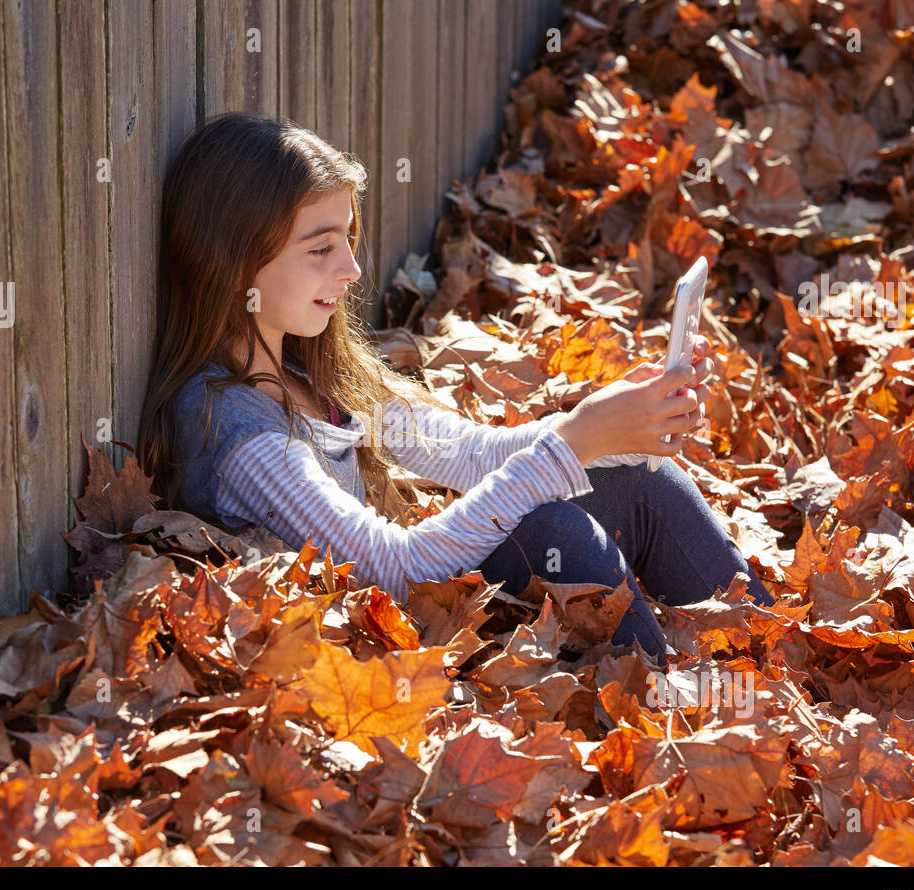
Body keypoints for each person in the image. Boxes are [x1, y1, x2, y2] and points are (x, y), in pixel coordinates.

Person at [136, 112, 773, 666]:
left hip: (418, 599)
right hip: (377, 650)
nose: (352, 269)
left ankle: (771, 665)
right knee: (559, 534)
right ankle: (663, 718)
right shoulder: (242, 437)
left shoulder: (304, 372)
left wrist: (610, 426)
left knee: (643, 481)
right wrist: (577, 441)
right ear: (236, 261)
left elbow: (470, 452)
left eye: (348, 241)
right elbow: (397, 569)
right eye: (320, 248)